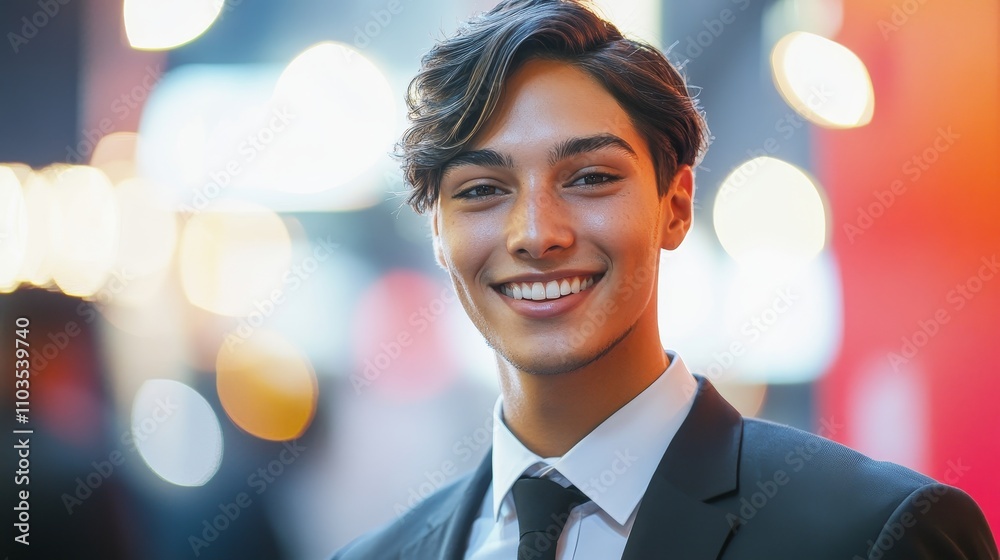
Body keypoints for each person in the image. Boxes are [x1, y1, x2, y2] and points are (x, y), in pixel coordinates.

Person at [332, 0, 998, 558]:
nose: (536, 233)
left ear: (675, 205)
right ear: (438, 236)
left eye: (590, 178)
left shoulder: (876, 533)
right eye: (482, 189)